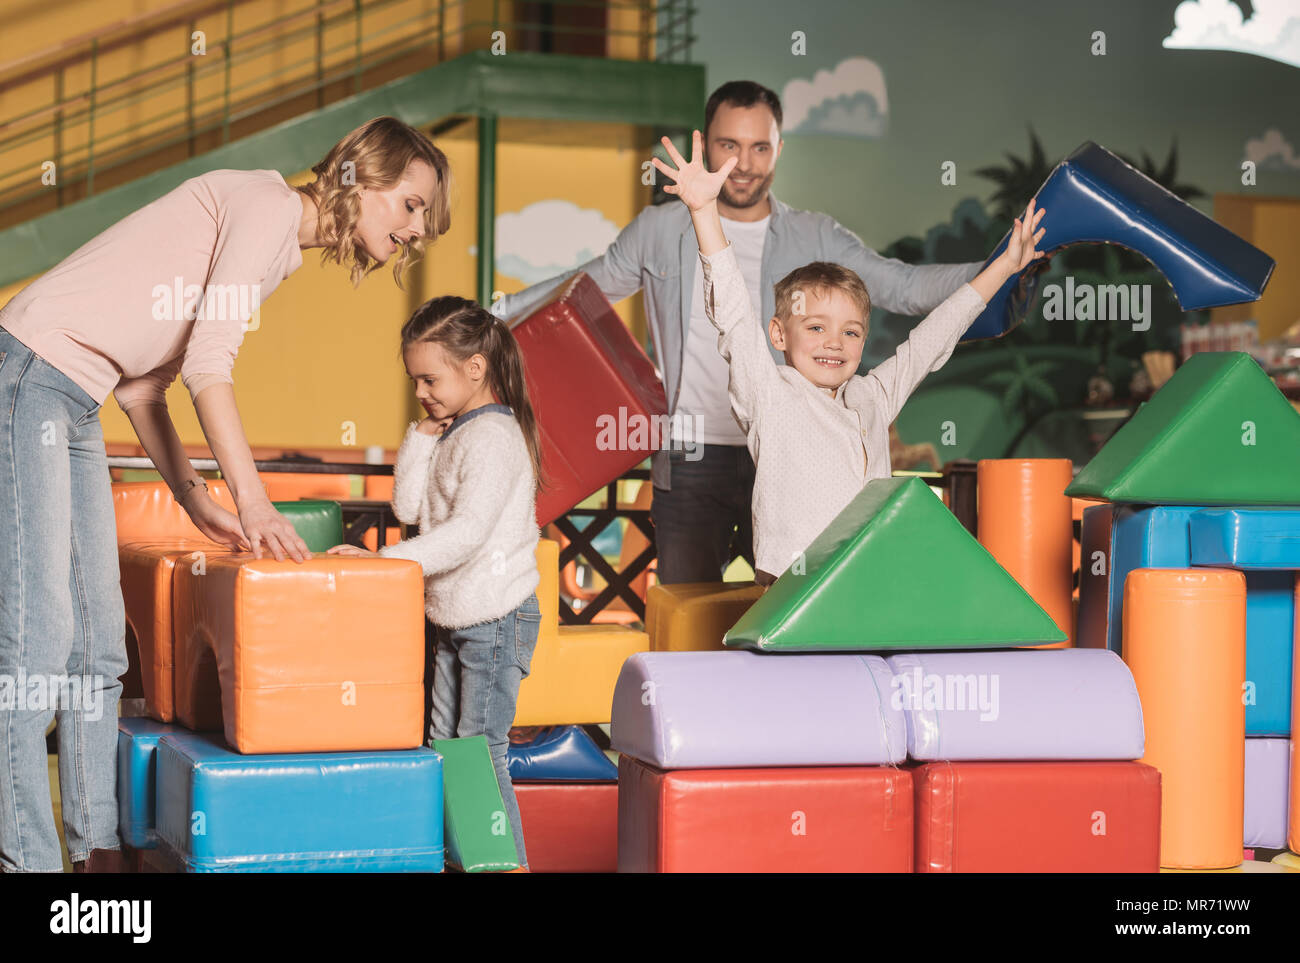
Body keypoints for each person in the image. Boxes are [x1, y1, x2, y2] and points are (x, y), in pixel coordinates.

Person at [0, 116, 451, 873]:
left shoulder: (278, 247)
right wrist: (252, 502)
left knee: (101, 648)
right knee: (37, 644)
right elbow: (212, 364)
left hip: (78, 393)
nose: (418, 229)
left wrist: (191, 496)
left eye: (426, 218)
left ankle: (99, 857)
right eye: (411, 204)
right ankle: (31, 867)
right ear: (364, 175)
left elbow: (146, 384)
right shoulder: (266, 208)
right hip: (31, 375)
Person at [490, 80, 982, 584]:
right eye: (730, 145)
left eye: (760, 147)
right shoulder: (659, 231)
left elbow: (903, 286)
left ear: (779, 149)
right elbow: (579, 289)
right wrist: (490, 318)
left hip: (785, 457)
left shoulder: (817, 235)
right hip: (691, 457)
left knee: (796, 608)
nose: (744, 163)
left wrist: (1002, 273)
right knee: (689, 623)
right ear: (706, 142)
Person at [652, 130, 1047, 586]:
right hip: (793, 585)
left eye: (851, 331)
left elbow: (933, 338)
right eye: (816, 327)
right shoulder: (770, 393)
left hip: (868, 578)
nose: (834, 342)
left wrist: (1006, 267)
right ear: (779, 334)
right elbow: (734, 314)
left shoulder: (871, 396)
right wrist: (703, 211)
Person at [328, 297, 543, 872]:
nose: (421, 391)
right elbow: (408, 506)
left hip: (495, 616)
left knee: (480, 750)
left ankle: (503, 865)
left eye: (430, 379)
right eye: (414, 381)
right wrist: (423, 434)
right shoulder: (455, 433)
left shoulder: (494, 437)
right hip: (453, 614)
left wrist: (384, 562)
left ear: (476, 368)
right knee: (447, 748)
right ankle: (467, 859)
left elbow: (468, 534)